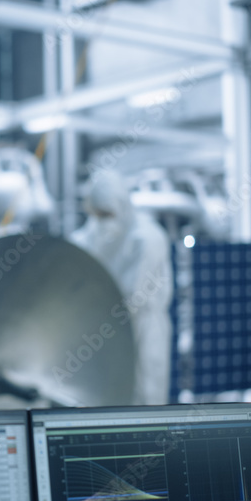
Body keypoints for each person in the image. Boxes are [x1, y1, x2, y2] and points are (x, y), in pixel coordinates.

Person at [70, 169, 173, 405]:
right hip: (101, 334)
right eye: (98, 214)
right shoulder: (89, 235)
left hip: (144, 333)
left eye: (108, 214)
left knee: (145, 399)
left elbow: (133, 297)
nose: (103, 221)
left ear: (123, 206)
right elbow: (75, 259)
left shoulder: (147, 238)